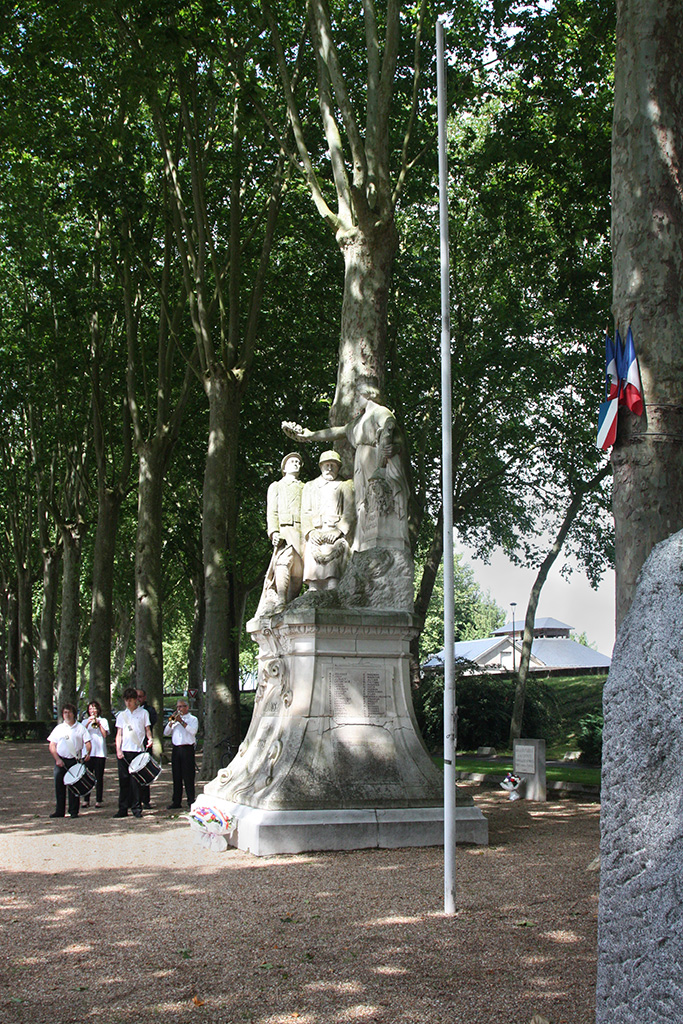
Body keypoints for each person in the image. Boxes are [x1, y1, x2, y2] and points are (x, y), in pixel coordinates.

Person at [283, 391, 410, 553]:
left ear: (368, 395)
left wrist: (391, 442)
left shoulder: (379, 411)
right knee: (362, 502)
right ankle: (364, 539)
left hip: (373, 457)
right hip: (360, 463)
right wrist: (311, 435)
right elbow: (336, 432)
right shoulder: (357, 422)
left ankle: (380, 537)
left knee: (376, 497)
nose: (356, 401)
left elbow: (389, 425)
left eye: (359, 397)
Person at [256, 452, 305, 615]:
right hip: (285, 530)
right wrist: (274, 532)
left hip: (302, 534)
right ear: (284, 467)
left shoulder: (305, 487)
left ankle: (290, 601)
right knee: (283, 562)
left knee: (299, 572)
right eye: (292, 461)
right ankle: (281, 600)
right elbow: (272, 512)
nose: (295, 464)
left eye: (298, 462)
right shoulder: (276, 486)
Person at [301, 450, 355, 590]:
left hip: (335, 531)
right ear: (321, 466)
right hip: (316, 531)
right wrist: (311, 532)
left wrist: (339, 531)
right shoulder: (310, 486)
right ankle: (313, 585)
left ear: (338, 467)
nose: (330, 468)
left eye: (333, 465)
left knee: (335, 554)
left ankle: (333, 585)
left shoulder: (345, 485)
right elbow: (305, 513)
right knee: (312, 550)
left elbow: (349, 511)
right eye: (327, 465)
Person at [112, 687, 153, 819]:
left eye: (131, 700)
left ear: (136, 700)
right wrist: (118, 749)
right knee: (123, 781)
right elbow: (119, 734)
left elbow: (147, 729)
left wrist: (150, 738)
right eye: (126, 700)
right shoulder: (121, 715)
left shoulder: (144, 713)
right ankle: (122, 808)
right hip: (125, 751)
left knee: (136, 782)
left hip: (138, 751)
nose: (128, 703)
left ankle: (137, 808)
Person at [47, 704, 91, 818]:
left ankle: (73, 811)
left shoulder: (80, 728)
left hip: (74, 760)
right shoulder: (59, 728)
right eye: (65, 712)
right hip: (61, 760)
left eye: (69, 712)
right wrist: (57, 759)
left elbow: (87, 743)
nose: (67, 714)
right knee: (59, 786)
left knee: (74, 787)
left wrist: (87, 753)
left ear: (74, 714)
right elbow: (52, 745)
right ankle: (59, 811)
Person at [164, 699, 199, 809]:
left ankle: (191, 800)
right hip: (176, 749)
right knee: (176, 775)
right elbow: (166, 732)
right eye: (178, 707)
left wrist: (182, 722)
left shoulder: (193, 719)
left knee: (188, 775)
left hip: (187, 749)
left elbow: (193, 731)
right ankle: (176, 801)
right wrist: (171, 722)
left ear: (187, 707)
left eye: (181, 706)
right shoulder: (174, 719)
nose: (179, 709)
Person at [81, 700, 109, 807]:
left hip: (100, 752)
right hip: (88, 753)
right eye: (91, 708)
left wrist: (99, 723)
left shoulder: (104, 721)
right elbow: (81, 733)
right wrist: (89, 722)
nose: (93, 710)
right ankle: (86, 799)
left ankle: (98, 799)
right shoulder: (84, 722)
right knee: (87, 776)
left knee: (99, 777)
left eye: (95, 708)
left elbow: (105, 734)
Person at [135, 687, 158, 809]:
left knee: (144, 772)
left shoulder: (149, 710)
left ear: (144, 698)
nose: (138, 699)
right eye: (136, 696)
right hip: (133, 745)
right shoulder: (129, 712)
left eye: (140, 696)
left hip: (144, 744)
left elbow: (152, 722)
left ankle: (145, 799)